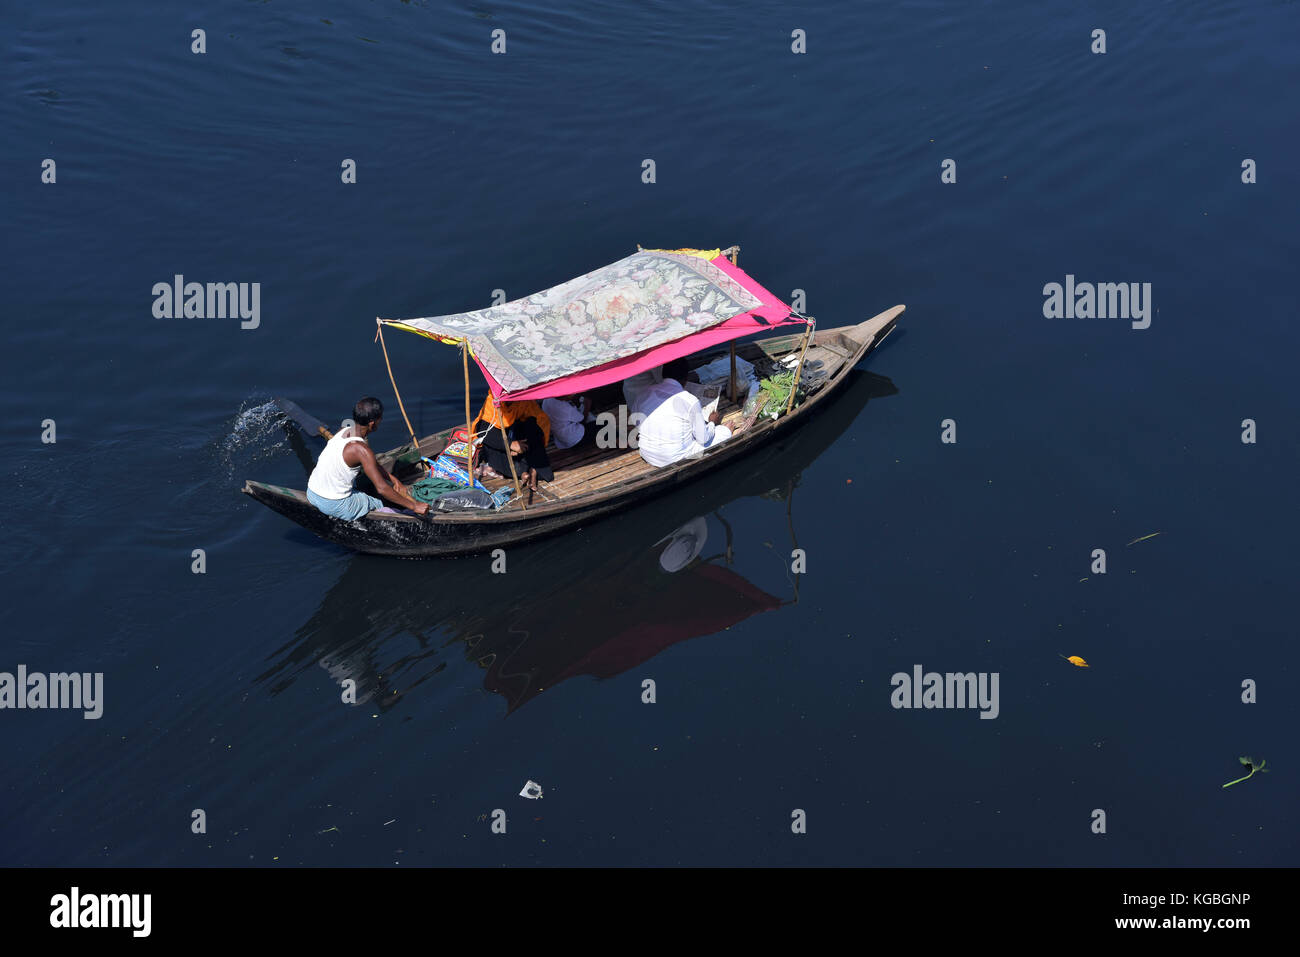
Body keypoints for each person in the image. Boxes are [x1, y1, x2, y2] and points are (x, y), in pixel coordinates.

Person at [306, 397, 430, 519]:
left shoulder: (344, 428)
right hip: (334, 504)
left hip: (312, 492)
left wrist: (394, 481)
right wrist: (414, 506)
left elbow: (373, 464)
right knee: (380, 503)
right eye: (380, 419)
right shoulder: (363, 450)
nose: (380, 421)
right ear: (372, 424)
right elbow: (382, 489)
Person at [634, 358, 731, 467]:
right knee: (724, 431)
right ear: (686, 378)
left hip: (647, 453)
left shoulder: (644, 393)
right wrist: (712, 423)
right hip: (673, 459)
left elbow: (638, 424)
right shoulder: (689, 400)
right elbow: (703, 439)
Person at [473, 394, 553, 489]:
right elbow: (483, 431)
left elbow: (541, 423)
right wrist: (510, 444)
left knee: (532, 426)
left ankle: (532, 469)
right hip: (503, 449)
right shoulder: (493, 402)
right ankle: (526, 471)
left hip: (522, 447)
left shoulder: (524, 400)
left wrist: (524, 445)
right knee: (491, 438)